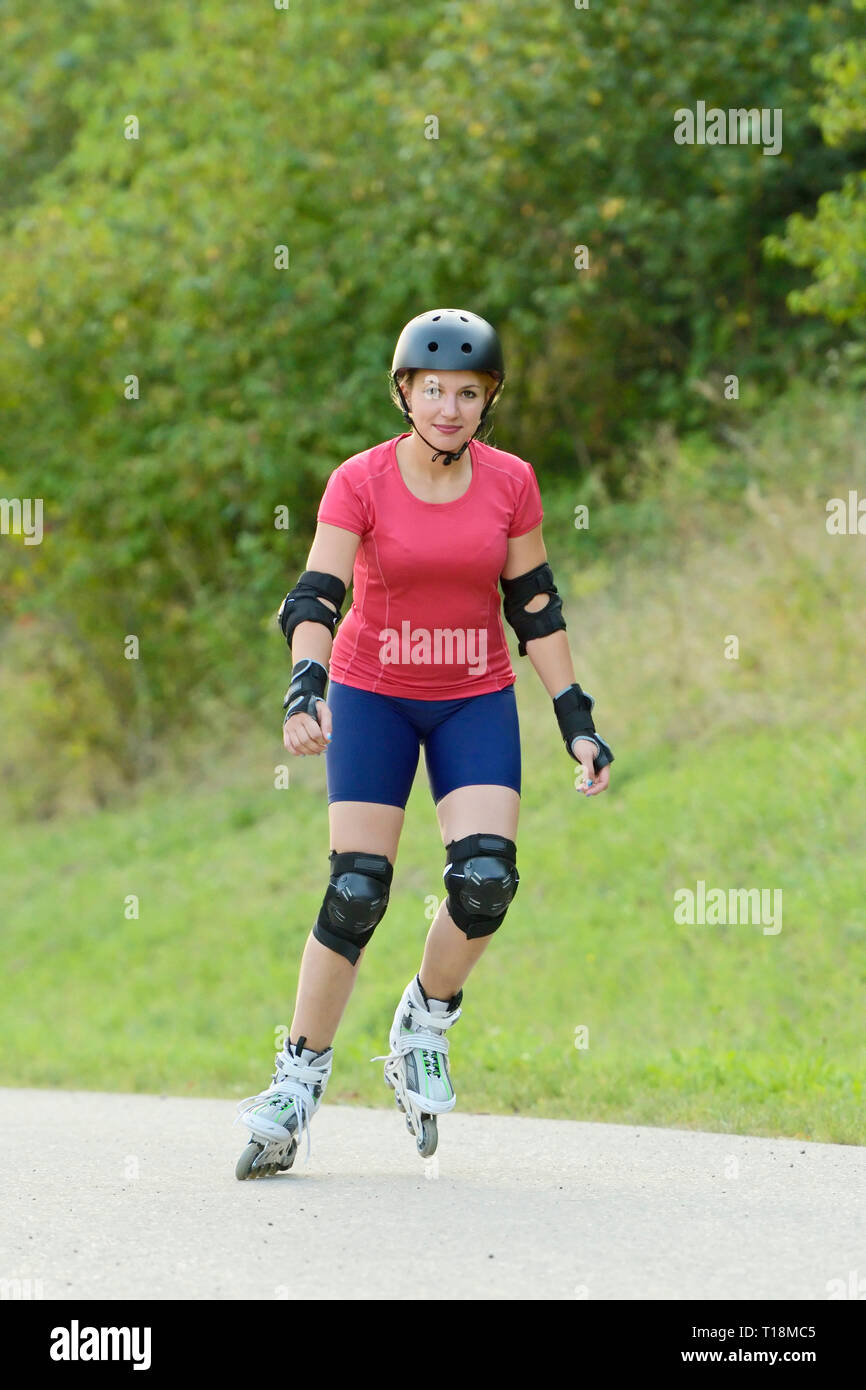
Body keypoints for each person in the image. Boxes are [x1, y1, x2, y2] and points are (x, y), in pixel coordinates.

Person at [234, 307, 614, 1178]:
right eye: (433, 389)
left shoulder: (512, 482)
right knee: (358, 892)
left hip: (473, 695)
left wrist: (576, 718)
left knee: (486, 880)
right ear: (405, 391)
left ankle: (425, 1022)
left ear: (490, 401)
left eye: (468, 393)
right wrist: (307, 682)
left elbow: (536, 604)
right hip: (373, 694)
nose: (449, 407)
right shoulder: (359, 481)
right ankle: (298, 1078)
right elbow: (317, 594)